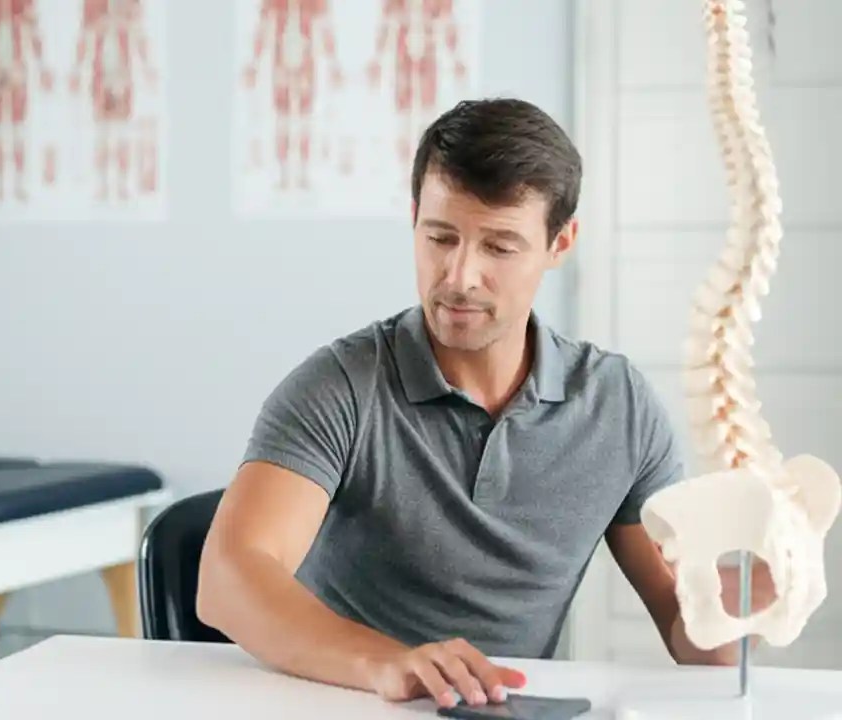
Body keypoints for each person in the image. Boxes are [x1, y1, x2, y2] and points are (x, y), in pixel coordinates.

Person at [195, 97, 775, 710]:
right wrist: (388, 663)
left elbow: (691, 632)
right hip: (351, 702)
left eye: (499, 247)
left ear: (560, 242)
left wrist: (756, 596)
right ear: (414, 218)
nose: (460, 276)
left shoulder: (617, 406)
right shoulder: (341, 386)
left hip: (508, 709)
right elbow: (227, 579)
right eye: (440, 237)